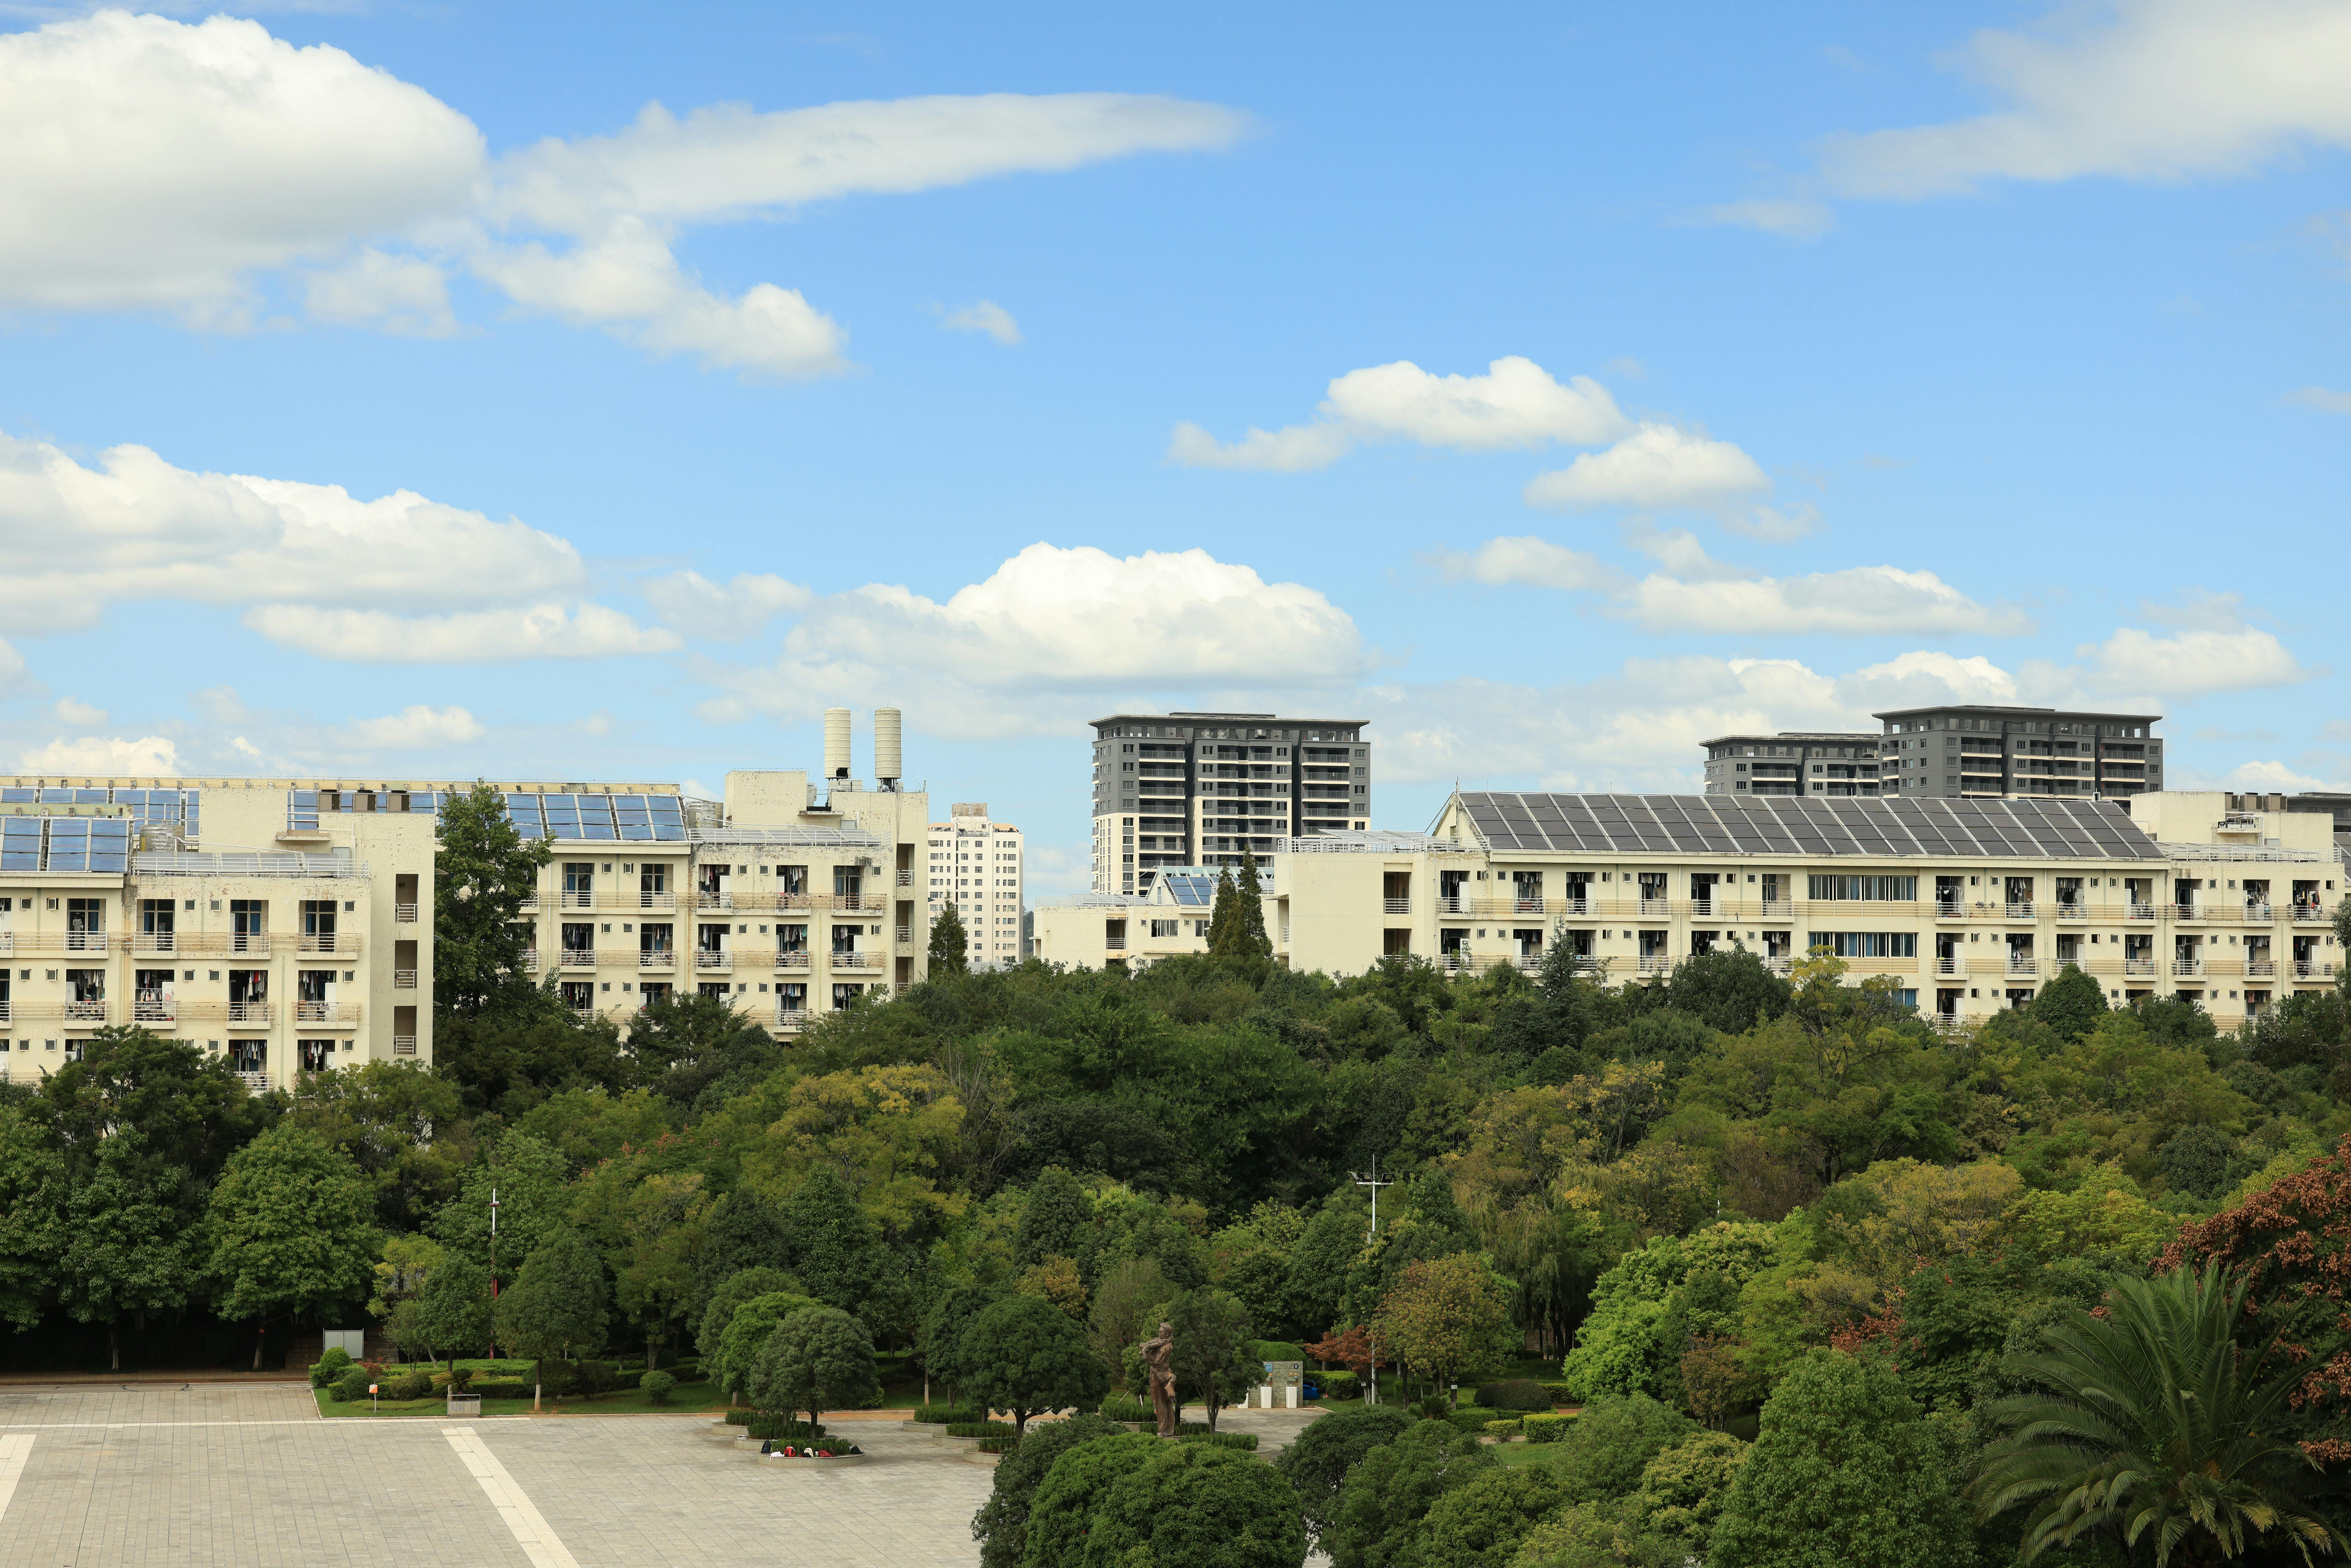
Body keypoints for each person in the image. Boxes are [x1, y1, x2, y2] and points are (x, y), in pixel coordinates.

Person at [1141, 1319, 1177, 1437]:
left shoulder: (1167, 1347)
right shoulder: (1161, 1342)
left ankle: (1163, 1430)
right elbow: (1155, 1342)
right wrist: (1146, 1345)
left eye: (1161, 1332)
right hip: (1158, 1374)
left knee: (1160, 1402)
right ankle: (1167, 1431)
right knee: (1164, 1403)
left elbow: (1157, 1362)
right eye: (1159, 1331)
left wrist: (1146, 1355)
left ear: (1167, 1334)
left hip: (1160, 1375)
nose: (1159, 1334)